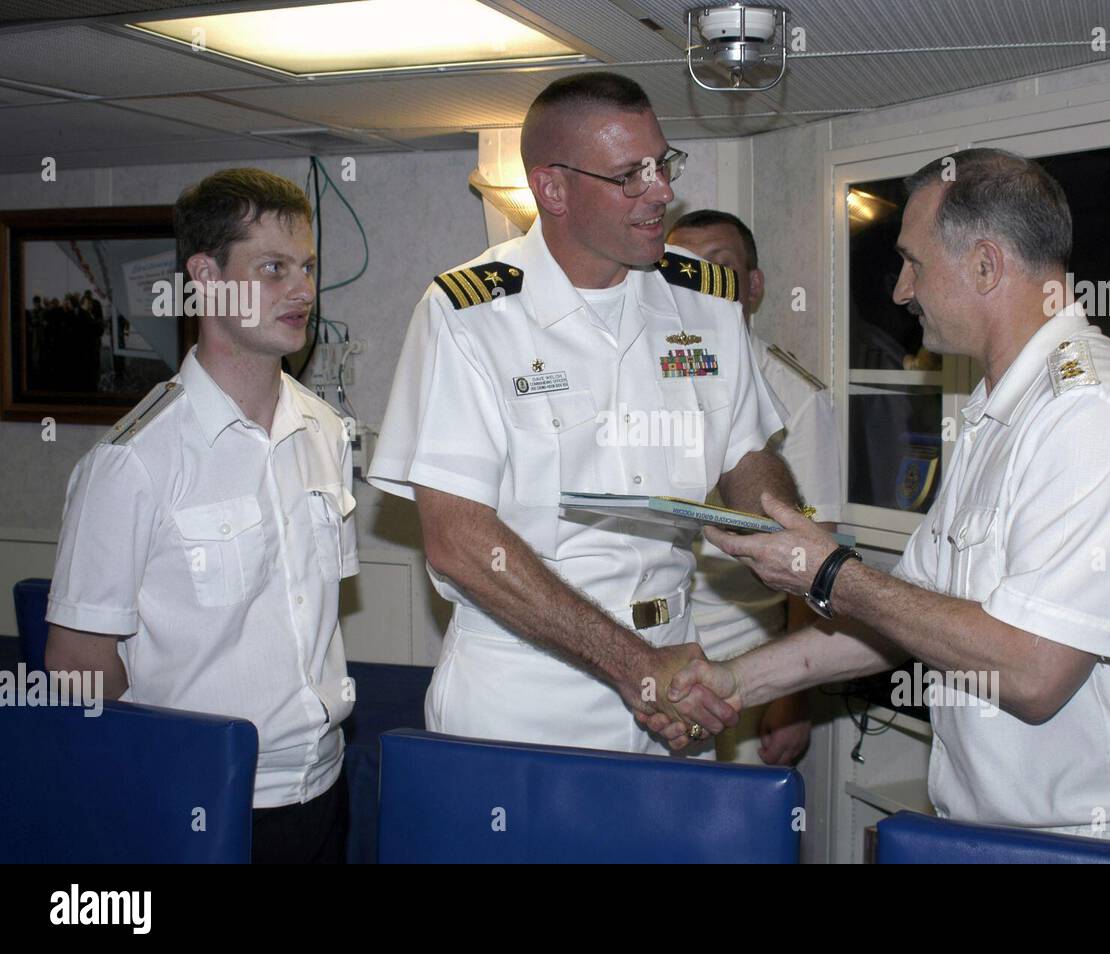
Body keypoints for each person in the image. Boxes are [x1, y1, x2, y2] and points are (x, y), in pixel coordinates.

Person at [650, 148, 1110, 850]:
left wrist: (829, 572)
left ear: (986, 266)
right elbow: (905, 614)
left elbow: (1032, 670)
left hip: (1106, 845)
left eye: (914, 263)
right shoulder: (1000, 409)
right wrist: (731, 682)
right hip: (994, 836)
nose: (900, 290)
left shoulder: (1096, 413)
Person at [367, 73, 795, 754]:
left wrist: (788, 541)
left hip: (676, 668)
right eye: (630, 175)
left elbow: (746, 454)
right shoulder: (470, 314)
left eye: (663, 165)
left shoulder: (705, 298)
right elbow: (458, 538)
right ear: (553, 189)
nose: (661, 192)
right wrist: (633, 666)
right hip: (528, 689)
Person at [44, 168, 358, 863]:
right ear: (207, 276)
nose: (303, 290)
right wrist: (162, 769)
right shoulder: (133, 461)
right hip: (196, 801)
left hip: (325, 786)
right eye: (273, 268)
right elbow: (77, 666)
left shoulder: (327, 432)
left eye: (306, 267)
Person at [668, 209, 842, 765]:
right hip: (657, 642)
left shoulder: (797, 398)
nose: (698, 284)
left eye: (717, 268)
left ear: (754, 285)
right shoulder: (648, 379)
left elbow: (813, 557)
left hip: (746, 649)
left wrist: (791, 701)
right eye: (681, 270)